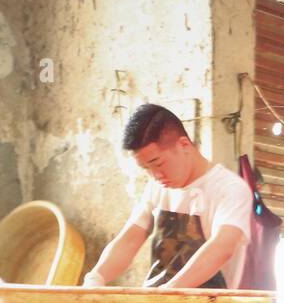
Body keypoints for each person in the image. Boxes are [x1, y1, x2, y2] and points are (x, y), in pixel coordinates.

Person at [83, 103, 252, 289]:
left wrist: (170, 292)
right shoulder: (156, 187)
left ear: (184, 145)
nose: (156, 175)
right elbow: (130, 239)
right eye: (146, 168)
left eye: (158, 163)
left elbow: (222, 247)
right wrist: (96, 276)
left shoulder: (230, 188)